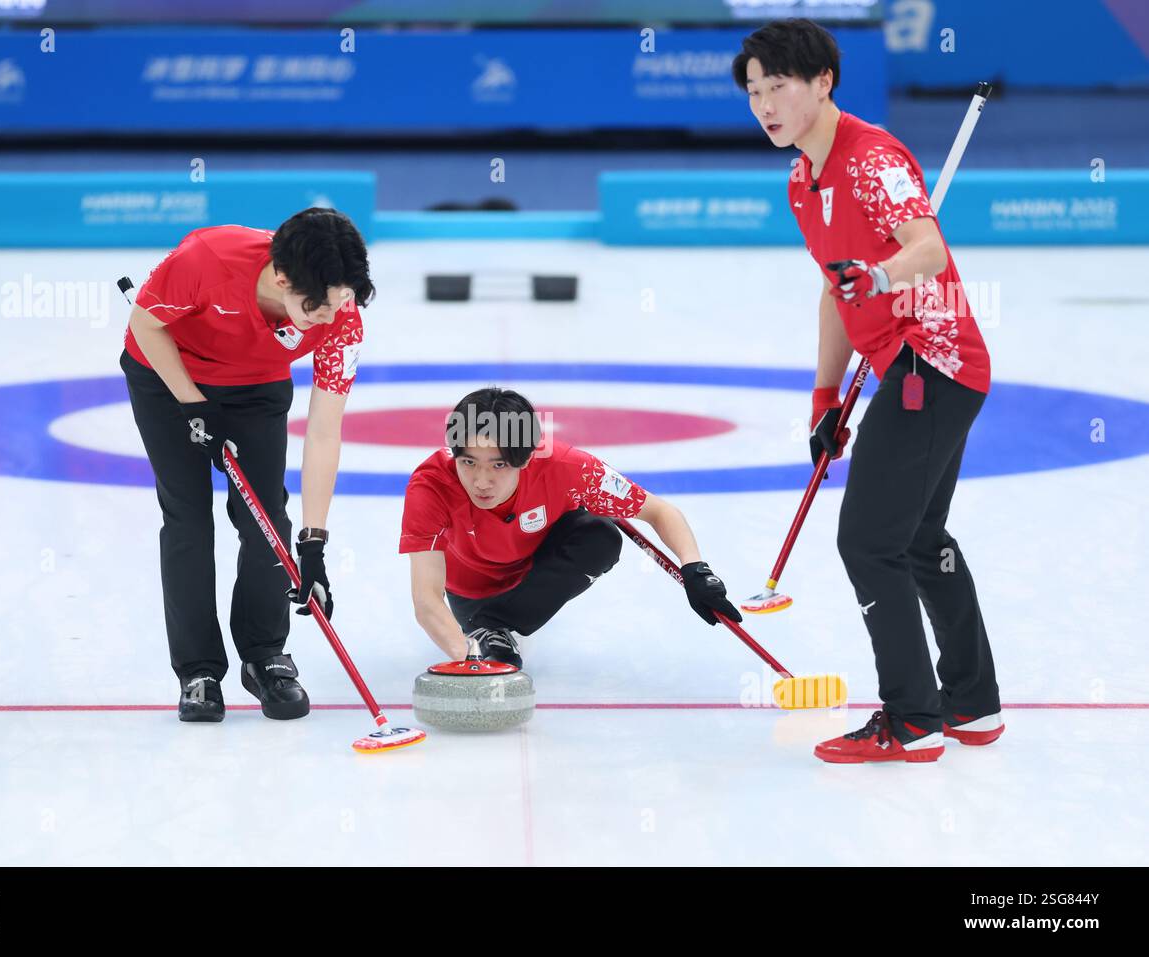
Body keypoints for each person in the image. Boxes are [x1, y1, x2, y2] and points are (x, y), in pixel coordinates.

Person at [732, 19, 1003, 763]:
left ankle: (912, 719)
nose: (765, 106)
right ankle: (972, 703)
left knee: (868, 540)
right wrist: (824, 399)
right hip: (914, 369)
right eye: (754, 92)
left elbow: (928, 249)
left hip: (933, 362)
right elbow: (834, 292)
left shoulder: (871, 160)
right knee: (918, 539)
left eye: (778, 86)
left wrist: (881, 275)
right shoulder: (802, 181)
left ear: (823, 82)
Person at [121, 208, 373, 722]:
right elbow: (145, 323)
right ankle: (198, 670)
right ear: (282, 279)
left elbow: (324, 432)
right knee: (189, 519)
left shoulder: (341, 315)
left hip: (257, 386)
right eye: (318, 307)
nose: (331, 319)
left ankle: (264, 654)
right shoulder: (207, 260)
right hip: (168, 377)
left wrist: (314, 542)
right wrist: (192, 403)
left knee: (267, 522)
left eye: (341, 302)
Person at [399, 387, 742, 668]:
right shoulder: (431, 485)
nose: (481, 481)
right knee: (490, 648)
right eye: (468, 462)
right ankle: (485, 628)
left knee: (600, 536)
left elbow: (659, 511)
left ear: (527, 457)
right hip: (472, 594)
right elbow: (426, 598)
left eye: (498, 465)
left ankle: (498, 625)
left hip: (531, 569)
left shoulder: (566, 467)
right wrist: (470, 658)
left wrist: (695, 568)